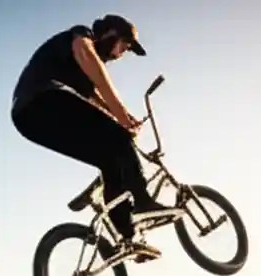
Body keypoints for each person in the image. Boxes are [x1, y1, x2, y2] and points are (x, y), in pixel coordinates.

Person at [11, 15, 179, 256]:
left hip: (29, 121)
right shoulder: (82, 37)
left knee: (111, 160)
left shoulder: (79, 73)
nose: (121, 54)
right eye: (124, 45)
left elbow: (94, 103)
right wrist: (121, 118)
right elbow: (87, 57)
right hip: (42, 100)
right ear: (109, 34)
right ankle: (142, 201)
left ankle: (126, 236)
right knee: (119, 137)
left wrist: (124, 117)